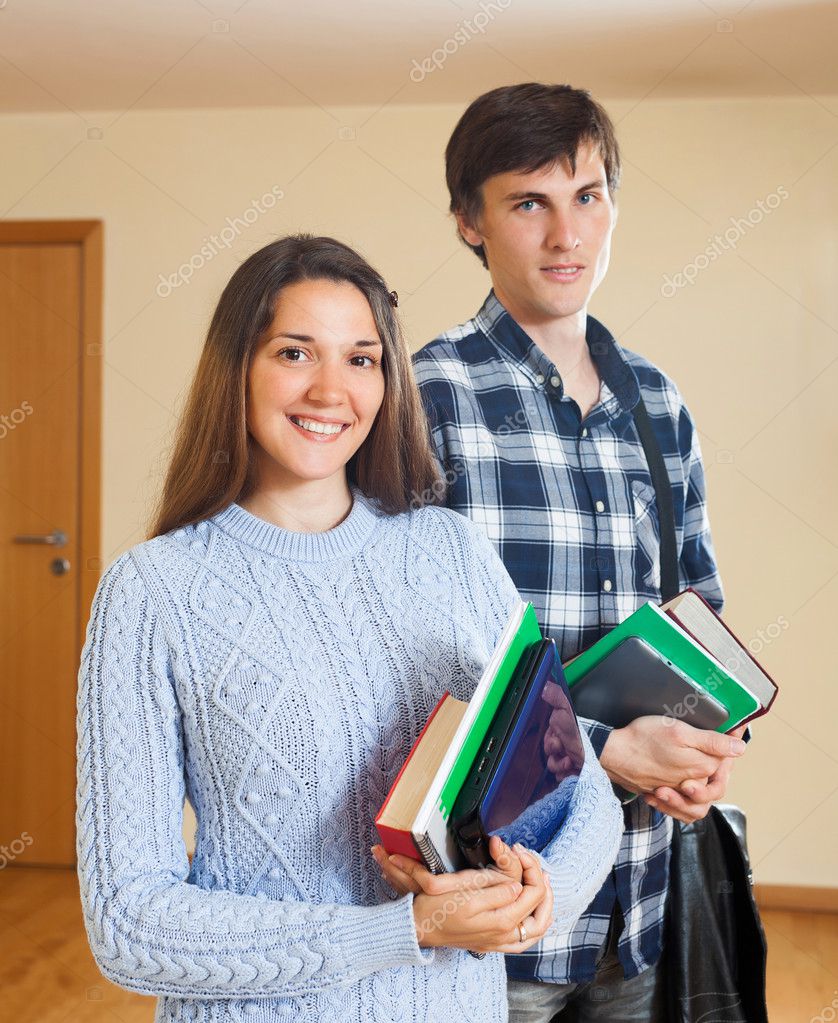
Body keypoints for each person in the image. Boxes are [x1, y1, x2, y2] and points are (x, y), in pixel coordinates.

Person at [76, 234, 623, 1023]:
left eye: (361, 358)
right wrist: (402, 929)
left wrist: (542, 895)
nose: (332, 389)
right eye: (297, 352)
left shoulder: (451, 550)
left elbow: (585, 788)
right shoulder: (153, 591)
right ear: (238, 366)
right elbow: (129, 920)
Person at [412, 84, 749, 1021]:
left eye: (588, 196)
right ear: (468, 223)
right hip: (497, 906)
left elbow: (699, 614)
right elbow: (411, 667)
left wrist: (701, 747)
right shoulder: (424, 398)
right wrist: (602, 751)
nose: (568, 235)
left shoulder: (657, 400)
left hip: (635, 895)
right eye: (530, 203)